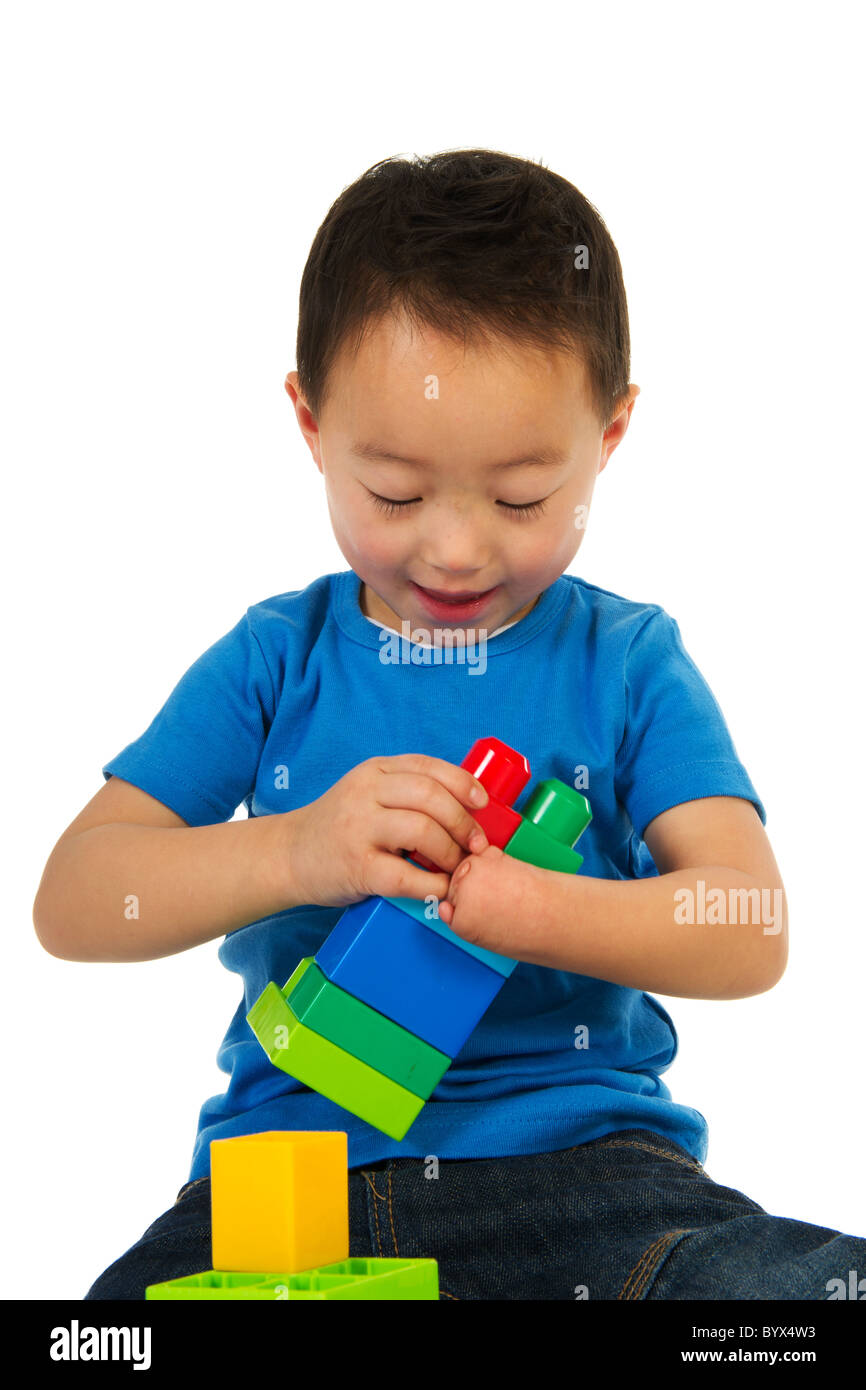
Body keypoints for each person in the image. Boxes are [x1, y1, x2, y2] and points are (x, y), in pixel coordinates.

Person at [34, 148, 866, 1301]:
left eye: (522, 497)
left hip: (588, 1179)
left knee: (795, 1302)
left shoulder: (624, 663)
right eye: (393, 493)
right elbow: (76, 899)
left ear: (609, 436)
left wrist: (536, 906)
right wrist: (294, 849)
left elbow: (747, 922)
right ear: (310, 424)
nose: (458, 548)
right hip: (283, 1191)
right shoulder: (277, 660)